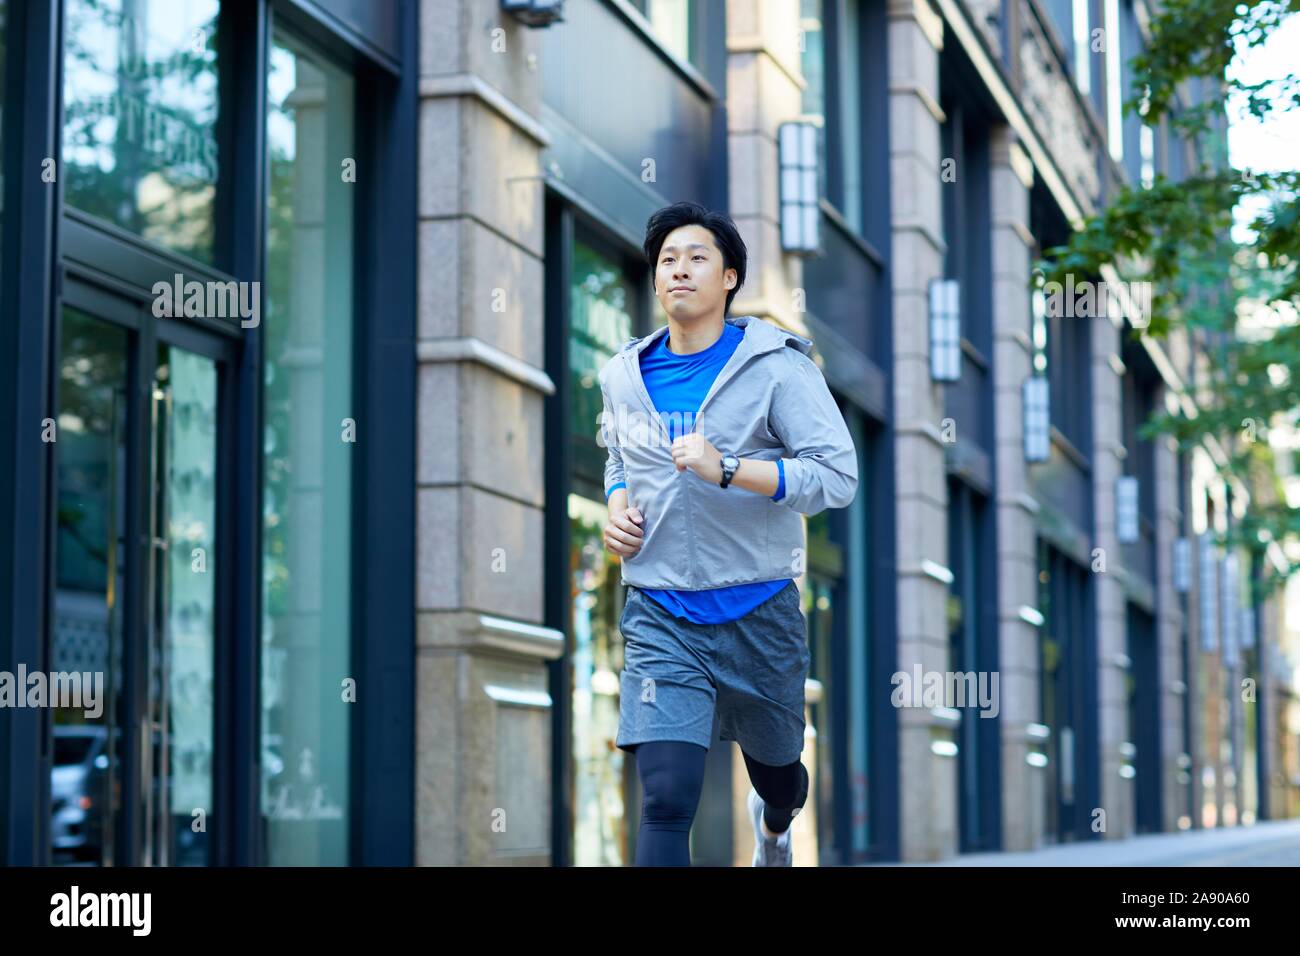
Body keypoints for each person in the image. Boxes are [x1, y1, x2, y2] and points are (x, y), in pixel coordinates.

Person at [598, 200, 859, 866]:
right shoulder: (623, 376)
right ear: (655, 281)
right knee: (665, 796)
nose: (679, 270)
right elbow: (618, 457)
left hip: (759, 605)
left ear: (730, 278)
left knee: (778, 774)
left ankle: (774, 827)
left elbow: (836, 478)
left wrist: (732, 469)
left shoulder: (778, 367)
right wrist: (618, 504)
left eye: (697, 258)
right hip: (660, 609)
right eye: (666, 261)